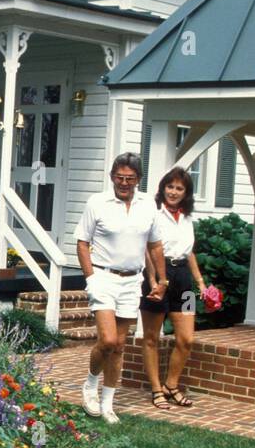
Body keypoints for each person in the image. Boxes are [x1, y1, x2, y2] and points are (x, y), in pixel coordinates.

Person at [75, 153, 166, 423]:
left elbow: (155, 245)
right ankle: (90, 385)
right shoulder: (97, 202)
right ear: (112, 176)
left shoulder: (148, 204)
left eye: (129, 179)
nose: (123, 183)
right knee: (108, 340)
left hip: (132, 280)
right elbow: (82, 242)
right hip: (103, 277)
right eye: (119, 177)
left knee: (120, 346)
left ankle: (107, 403)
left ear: (138, 179)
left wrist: (161, 281)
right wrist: (90, 277)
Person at [139, 166, 209, 409]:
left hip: (184, 282)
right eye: (170, 186)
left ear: (186, 192)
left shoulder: (187, 216)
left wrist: (200, 282)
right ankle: (157, 390)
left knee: (187, 338)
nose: (174, 191)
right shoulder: (153, 213)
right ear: (163, 188)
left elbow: (189, 252)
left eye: (179, 188)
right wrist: (154, 281)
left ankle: (172, 385)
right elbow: (148, 249)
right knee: (151, 337)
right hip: (159, 276)